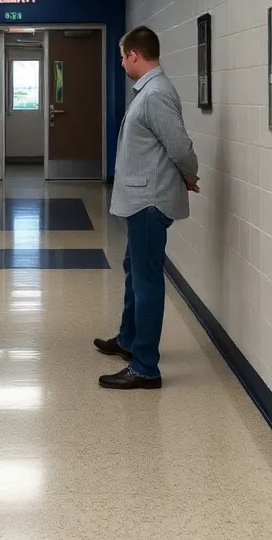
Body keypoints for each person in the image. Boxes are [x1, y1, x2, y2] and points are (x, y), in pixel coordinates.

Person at [95, 26, 199, 390]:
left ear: (135, 56)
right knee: (133, 269)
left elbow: (180, 146)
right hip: (141, 199)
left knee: (147, 281)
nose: (122, 63)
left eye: (123, 57)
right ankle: (129, 339)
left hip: (149, 202)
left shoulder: (155, 94)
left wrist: (190, 175)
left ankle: (145, 368)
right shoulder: (150, 91)